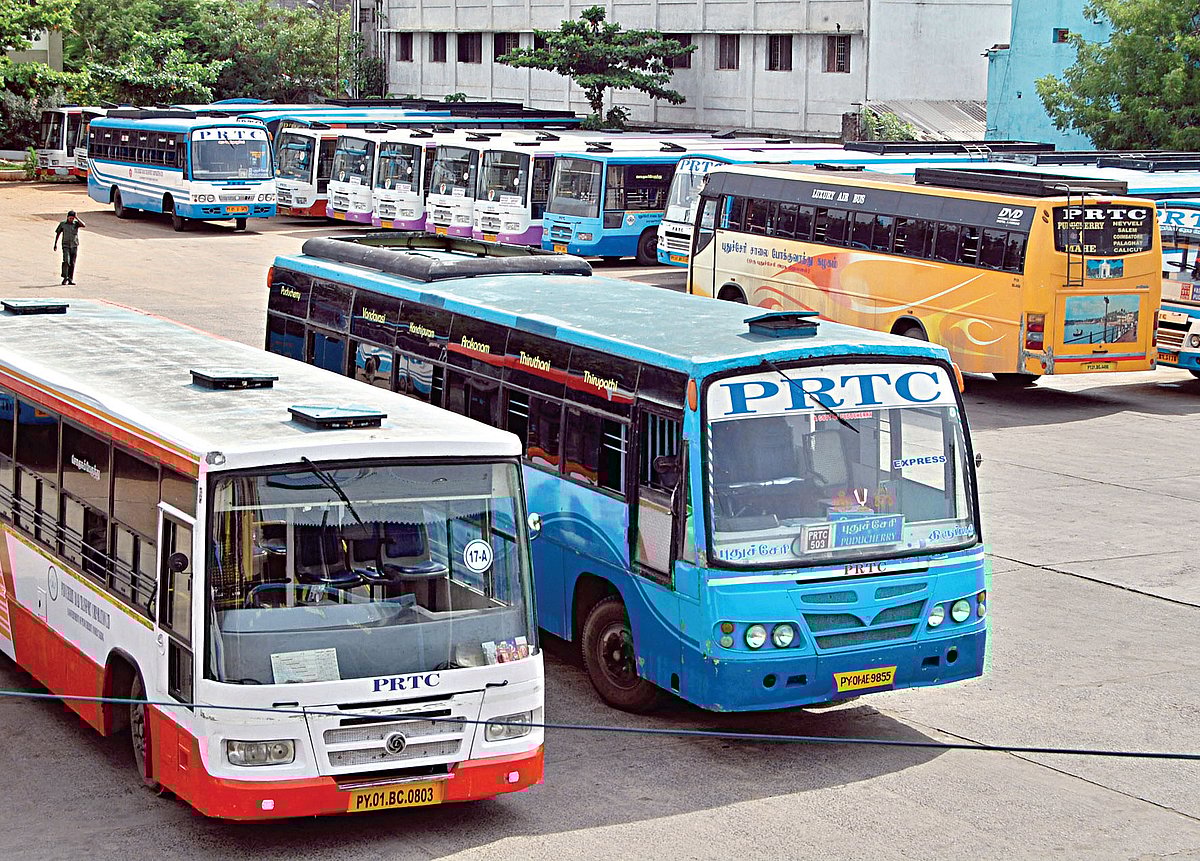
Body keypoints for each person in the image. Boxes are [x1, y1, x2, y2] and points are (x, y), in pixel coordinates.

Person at [53, 210, 86, 285]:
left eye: (72, 218)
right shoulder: (63, 224)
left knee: (72, 263)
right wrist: (55, 244)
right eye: (70, 218)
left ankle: (70, 279)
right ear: (67, 217)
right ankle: (65, 277)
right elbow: (58, 233)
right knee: (66, 261)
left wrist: (77, 218)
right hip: (66, 245)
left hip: (74, 245)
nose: (71, 220)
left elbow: (83, 225)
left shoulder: (76, 224)